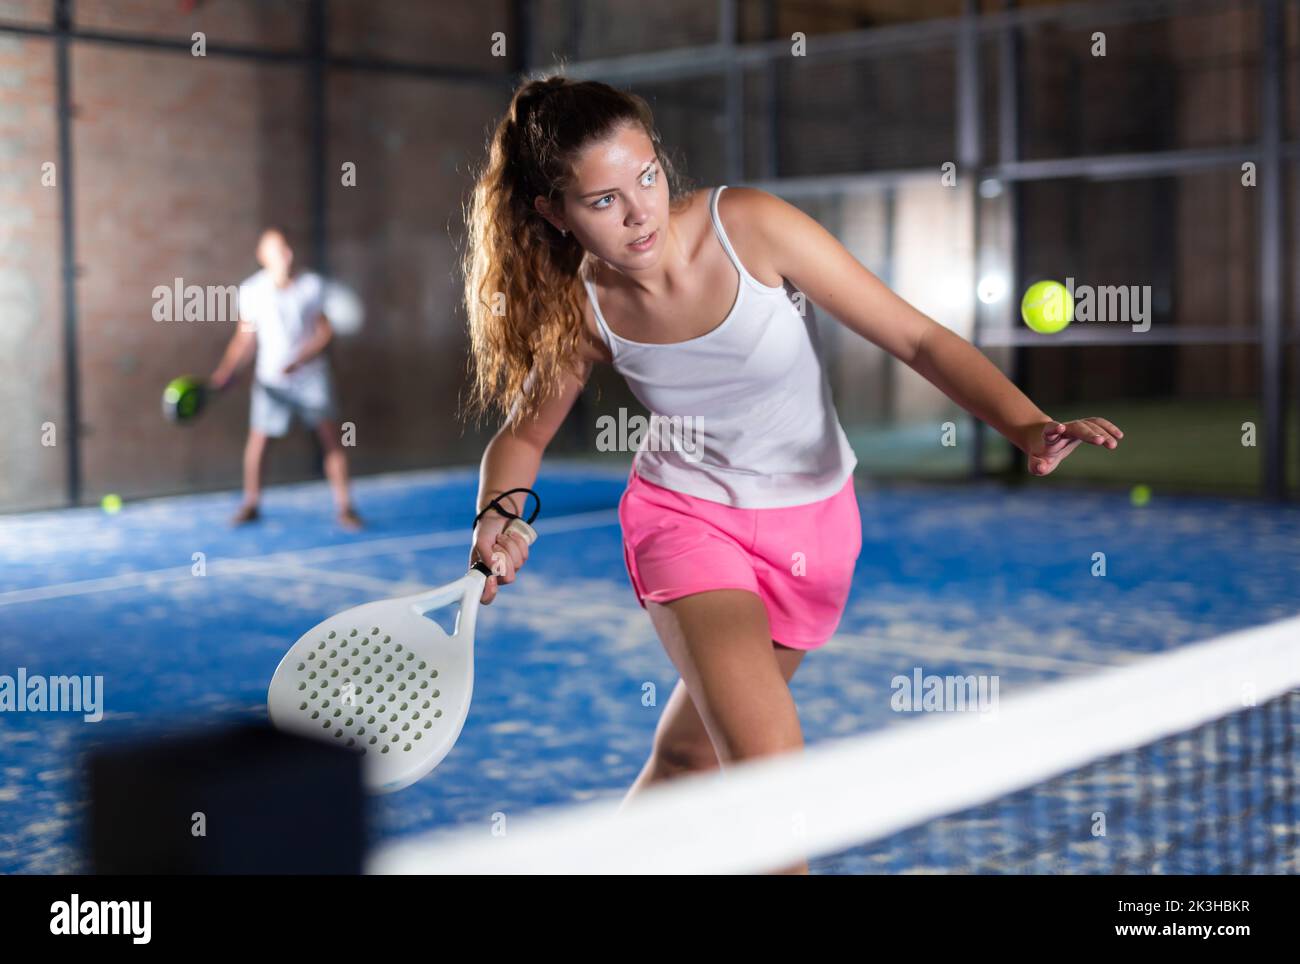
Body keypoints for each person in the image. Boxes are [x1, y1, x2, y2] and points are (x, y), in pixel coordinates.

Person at [460, 76, 1123, 874]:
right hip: (686, 520)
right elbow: (523, 435)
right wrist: (495, 515)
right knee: (770, 779)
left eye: (645, 177)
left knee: (687, 764)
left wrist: (1025, 423)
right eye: (602, 201)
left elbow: (915, 338)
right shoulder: (582, 311)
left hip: (817, 529)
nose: (638, 211)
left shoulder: (749, 227)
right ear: (553, 213)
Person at [210, 227, 362, 531]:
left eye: (288, 248)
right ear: (262, 256)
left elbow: (325, 331)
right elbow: (245, 339)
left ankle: (345, 508)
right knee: (259, 442)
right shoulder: (251, 290)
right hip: (270, 382)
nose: (286, 255)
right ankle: (251, 504)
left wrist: (301, 358)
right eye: (279, 249)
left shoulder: (311, 286)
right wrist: (227, 372)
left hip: (311, 380)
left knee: (331, 441)